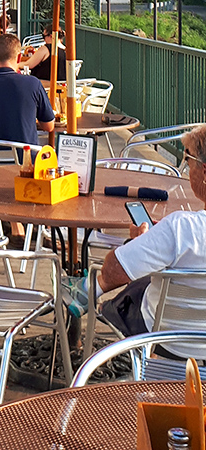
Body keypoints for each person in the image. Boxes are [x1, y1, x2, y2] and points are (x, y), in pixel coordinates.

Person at [88, 125, 206, 357]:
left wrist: (141, 242)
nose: (185, 167)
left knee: (129, 290)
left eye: (188, 158)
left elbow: (111, 271)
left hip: (166, 339)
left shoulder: (180, 228)